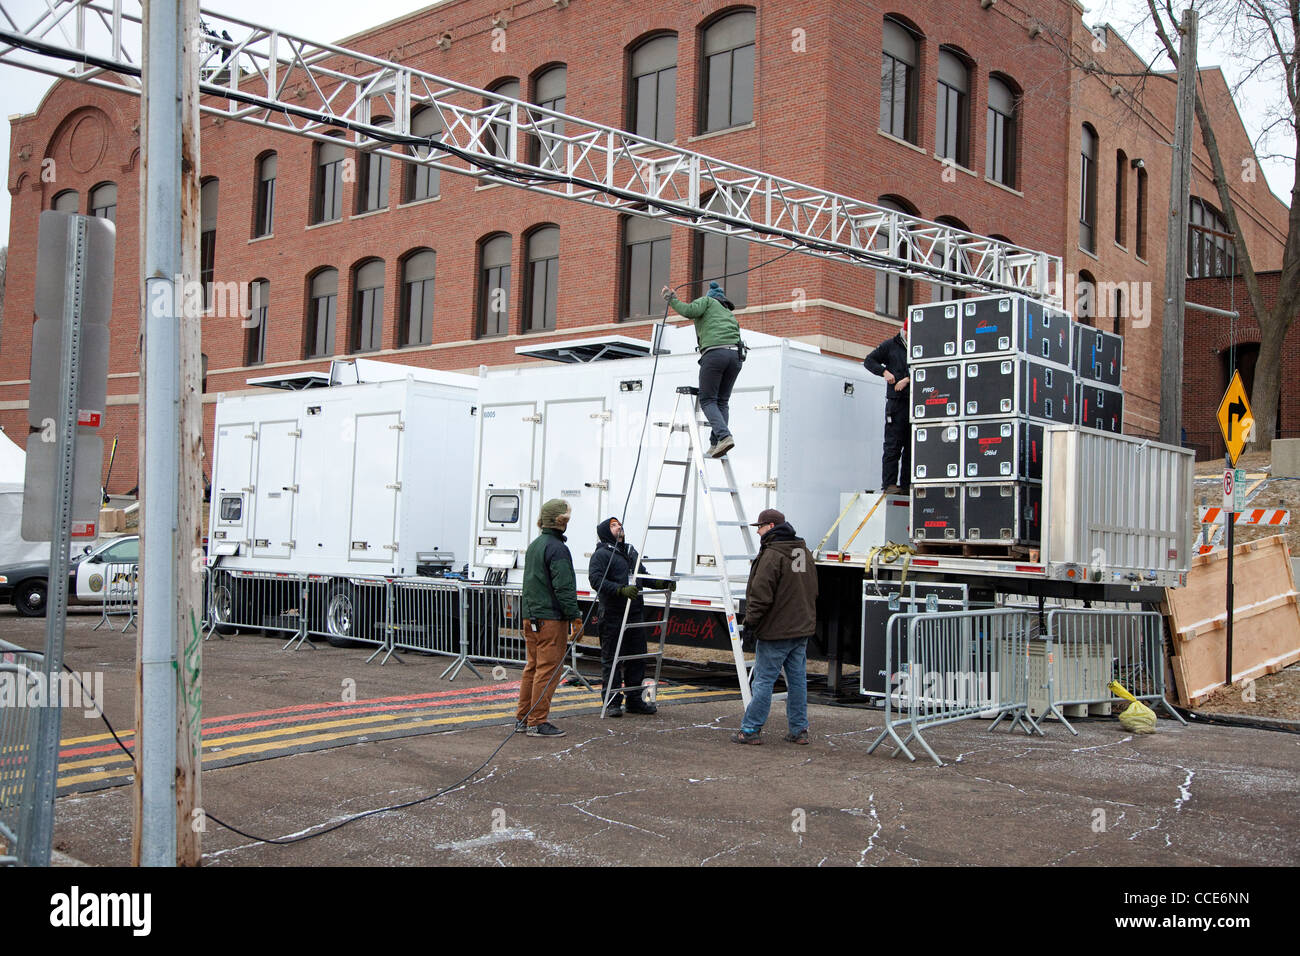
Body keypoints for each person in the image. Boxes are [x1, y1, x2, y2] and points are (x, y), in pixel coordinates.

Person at [733, 509, 819, 745]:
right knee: (798, 681)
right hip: (801, 628)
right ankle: (799, 730)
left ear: (771, 526)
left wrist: (751, 622)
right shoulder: (802, 550)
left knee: (763, 681)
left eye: (759, 527)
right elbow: (812, 587)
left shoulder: (772, 554)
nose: (758, 532)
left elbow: (761, 595)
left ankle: (750, 730)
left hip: (776, 630)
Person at [588, 517, 676, 716]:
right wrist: (620, 590)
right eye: (613, 525)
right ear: (605, 531)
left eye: (619, 524)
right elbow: (595, 580)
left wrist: (661, 583)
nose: (618, 527)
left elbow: (641, 575)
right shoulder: (602, 554)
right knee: (612, 659)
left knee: (636, 658)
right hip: (612, 614)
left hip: (634, 613)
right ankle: (611, 702)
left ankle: (634, 700)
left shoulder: (630, 552)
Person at [518, 498, 583, 738]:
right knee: (548, 670)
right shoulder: (558, 548)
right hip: (550, 619)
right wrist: (575, 617)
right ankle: (537, 721)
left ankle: (524, 718)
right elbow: (563, 588)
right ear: (561, 521)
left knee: (532, 668)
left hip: (531, 616)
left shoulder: (535, 545)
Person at [661, 280, 744, 458]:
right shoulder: (728, 313)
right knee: (722, 401)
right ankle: (716, 444)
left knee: (707, 400)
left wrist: (671, 298)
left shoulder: (707, 302)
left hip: (715, 354)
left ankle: (724, 436)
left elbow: (689, 311)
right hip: (735, 357)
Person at [863, 324, 911, 494]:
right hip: (896, 402)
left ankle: (906, 485)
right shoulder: (890, 345)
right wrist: (884, 372)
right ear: (904, 330)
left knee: (911, 447)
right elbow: (869, 361)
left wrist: (907, 379)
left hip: (915, 403)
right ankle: (889, 484)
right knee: (893, 445)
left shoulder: (921, 347)